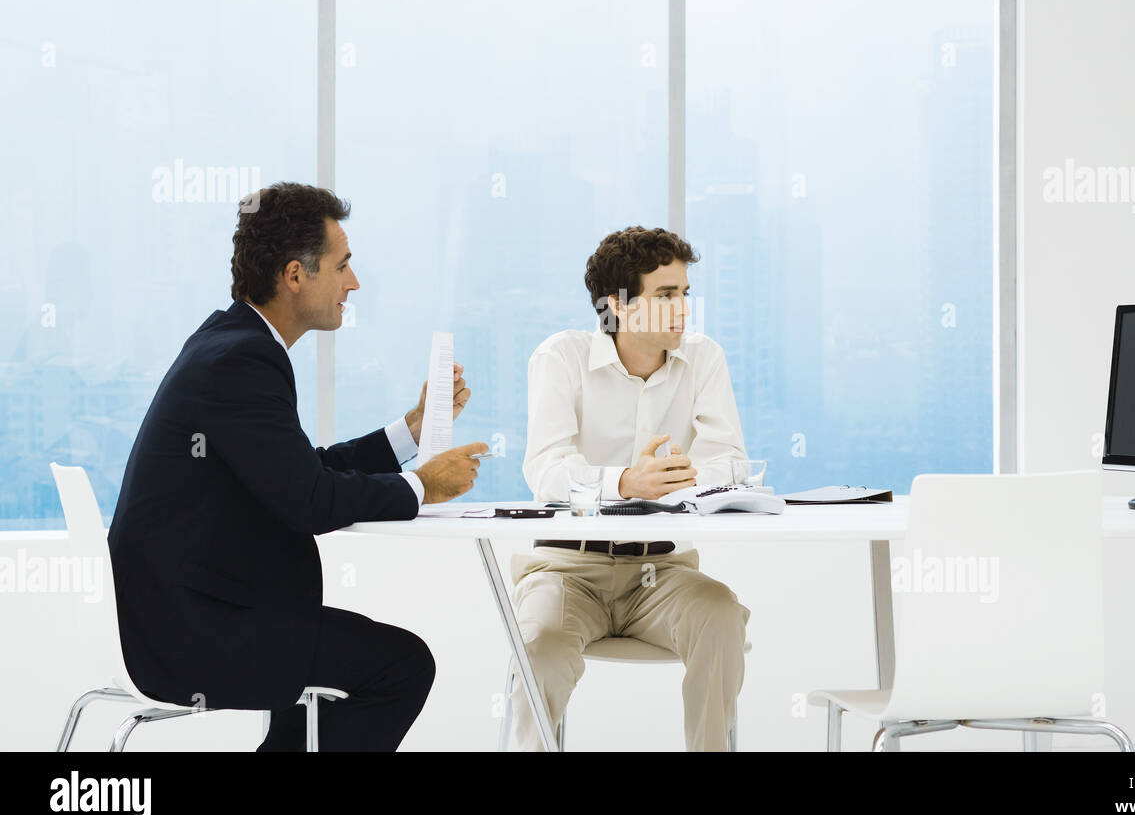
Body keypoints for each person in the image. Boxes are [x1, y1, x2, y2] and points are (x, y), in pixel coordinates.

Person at [107, 182, 487, 750]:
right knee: (402, 666)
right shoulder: (242, 357)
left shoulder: (231, 341)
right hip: (190, 634)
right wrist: (421, 488)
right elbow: (310, 499)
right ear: (294, 275)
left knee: (320, 677)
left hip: (197, 616)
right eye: (342, 267)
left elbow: (298, 473)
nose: (352, 284)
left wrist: (409, 432)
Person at [513, 225, 750, 751]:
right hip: (567, 569)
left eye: (685, 293)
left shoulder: (704, 358)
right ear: (617, 306)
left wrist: (672, 481)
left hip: (661, 571)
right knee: (539, 644)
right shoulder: (562, 358)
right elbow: (546, 472)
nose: (683, 308)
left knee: (721, 615)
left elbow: (730, 463)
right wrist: (624, 482)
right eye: (666, 295)